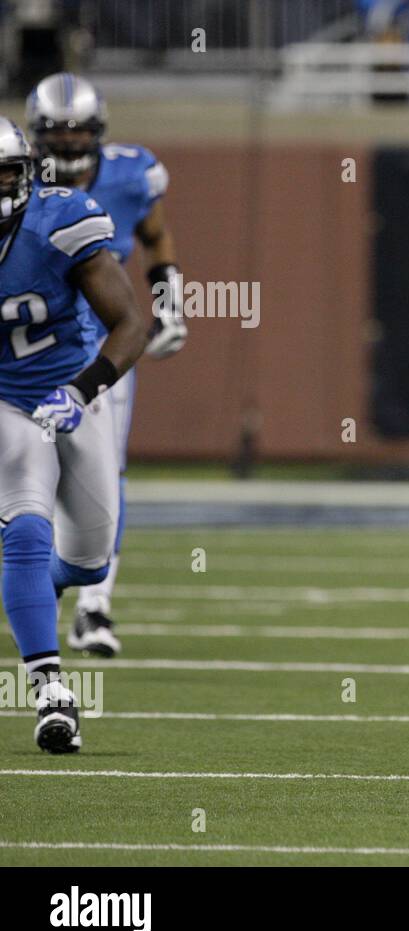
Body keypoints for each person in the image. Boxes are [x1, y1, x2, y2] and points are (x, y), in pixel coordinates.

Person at [0, 117, 151, 753]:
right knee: (27, 522)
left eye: (9, 173)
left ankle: (28, 581)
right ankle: (50, 691)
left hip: (70, 391)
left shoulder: (58, 222)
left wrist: (81, 390)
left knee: (89, 558)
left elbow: (130, 323)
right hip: (6, 401)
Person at [27, 73, 188, 658]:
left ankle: (93, 605)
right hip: (27, 349)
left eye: (79, 132)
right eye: (56, 133)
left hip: (103, 351)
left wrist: (169, 306)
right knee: (26, 484)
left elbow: (157, 237)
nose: (69, 144)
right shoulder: (17, 177)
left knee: (103, 478)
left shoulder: (130, 175)